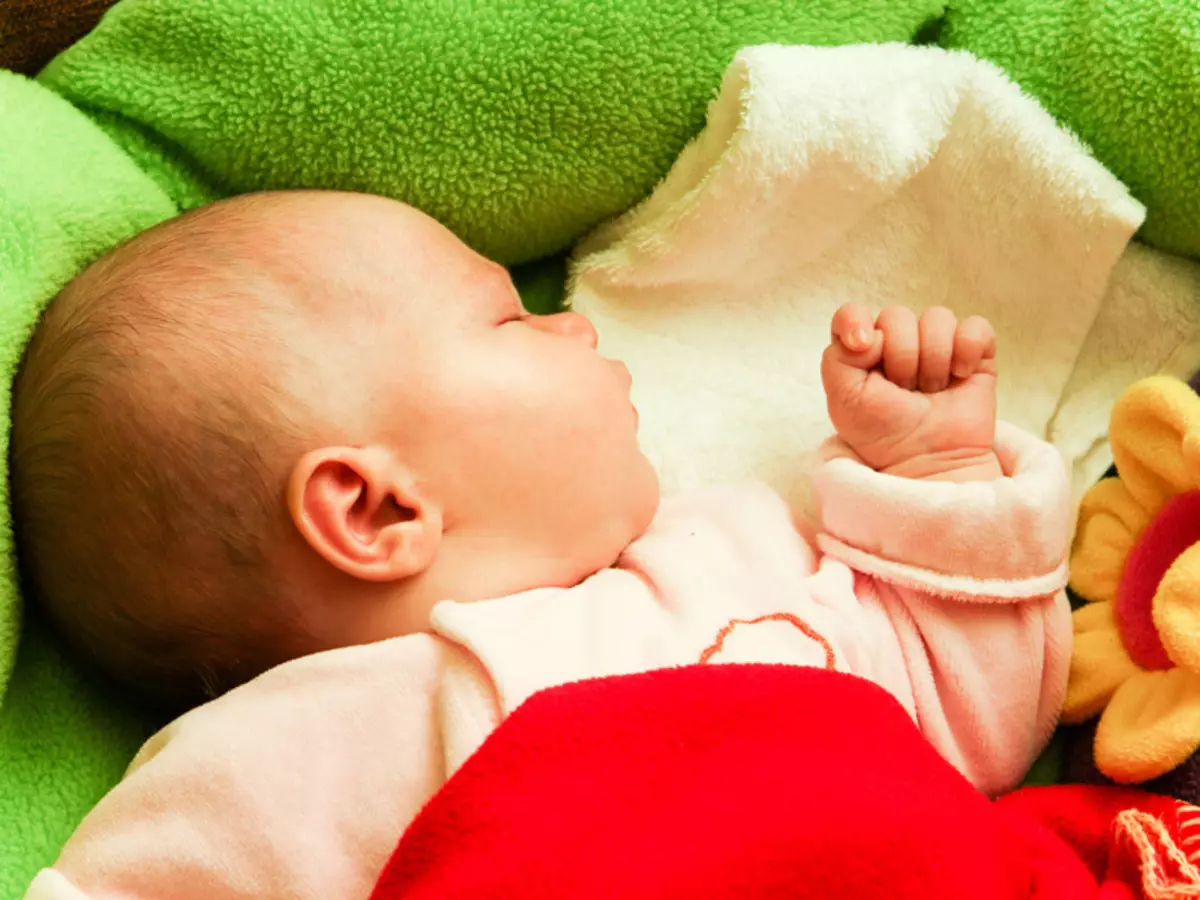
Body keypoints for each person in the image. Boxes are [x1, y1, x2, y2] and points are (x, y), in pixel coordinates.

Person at [14, 190, 1072, 900]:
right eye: (511, 320)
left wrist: (937, 473)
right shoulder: (277, 757)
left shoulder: (734, 562)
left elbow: (983, 722)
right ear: (378, 510)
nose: (576, 325)